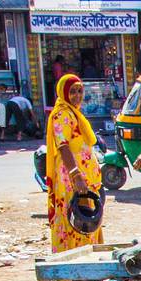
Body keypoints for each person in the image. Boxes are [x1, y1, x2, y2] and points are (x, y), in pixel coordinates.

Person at [44, 73, 104, 266]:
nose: (77, 95)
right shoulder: (61, 114)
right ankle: (69, 273)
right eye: (72, 91)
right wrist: (76, 175)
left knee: (87, 219)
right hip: (70, 178)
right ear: (63, 92)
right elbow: (63, 146)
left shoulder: (74, 112)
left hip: (85, 178)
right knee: (71, 220)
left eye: (79, 91)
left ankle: (87, 267)